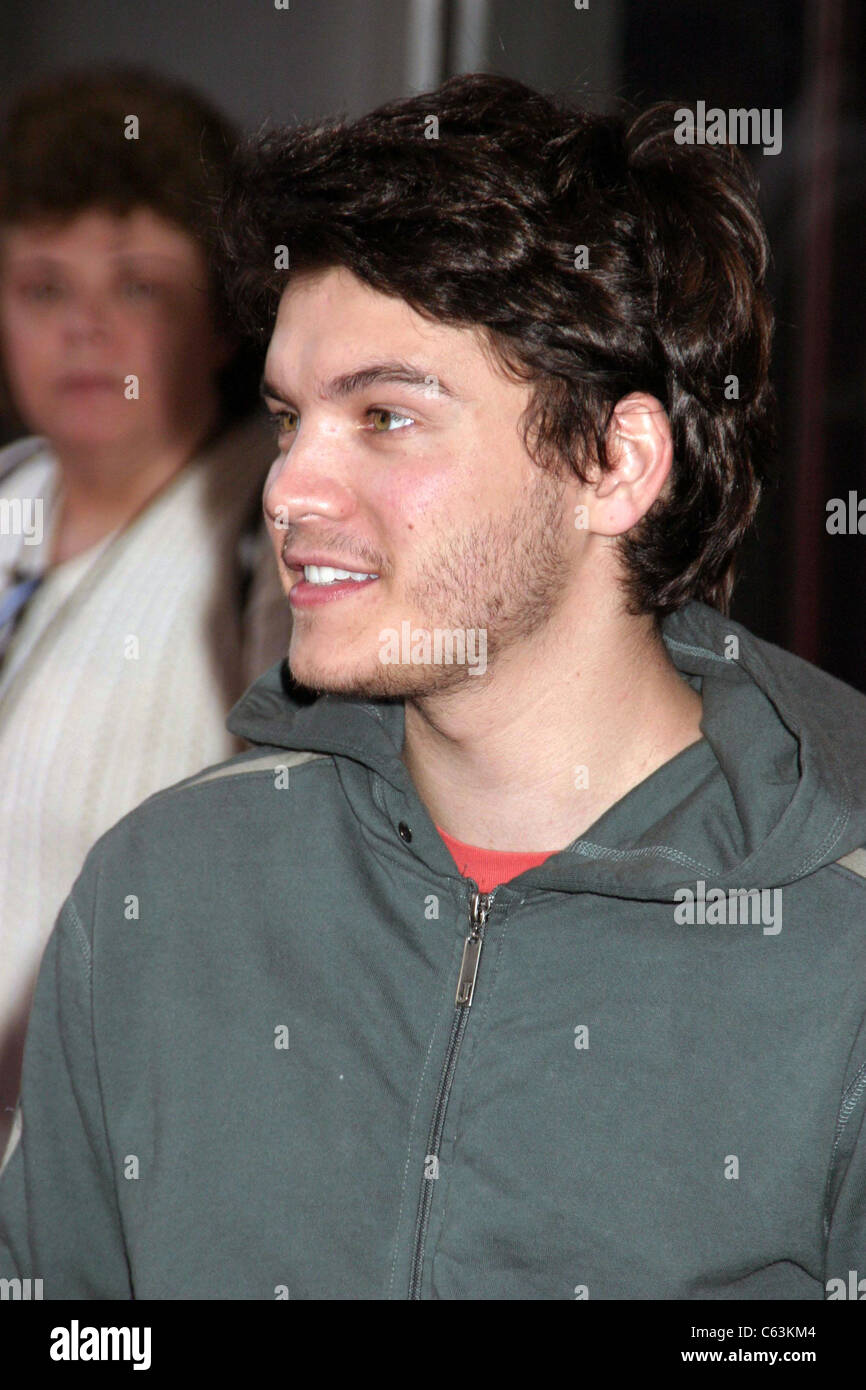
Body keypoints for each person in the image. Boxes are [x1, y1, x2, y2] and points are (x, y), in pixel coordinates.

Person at [1, 72, 865, 1300]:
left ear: (612, 465)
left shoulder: (837, 940)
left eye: (386, 417)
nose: (290, 487)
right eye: (291, 415)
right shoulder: (161, 891)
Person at [0, 69, 290, 1161]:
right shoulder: (12, 499)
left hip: (134, 1167)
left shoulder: (279, 530)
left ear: (220, 319)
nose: (82, 329)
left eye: (135, 288)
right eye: (39, 287)